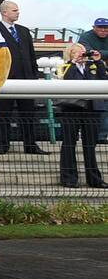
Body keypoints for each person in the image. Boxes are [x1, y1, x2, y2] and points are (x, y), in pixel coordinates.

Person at [0, 0, 48, 155]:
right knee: (2, 113)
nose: (18, 12)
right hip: (5, 80)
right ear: (4, 12)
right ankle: (1, 144)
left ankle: (30, 145)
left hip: (26, 79)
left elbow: (31, 54)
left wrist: (34, 76)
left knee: (28, 113)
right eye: (15, 10)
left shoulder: (23, 31)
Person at [57, 43, 106, 188]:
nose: (82, 56)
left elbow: (104, 79)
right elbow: (64, 79)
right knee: (69, 143)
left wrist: (98, 61)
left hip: (91, 109)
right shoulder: (65, 66)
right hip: (71, 109)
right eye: (78, 53)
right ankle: (69, 178)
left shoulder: (93, 67)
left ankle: (94, 179)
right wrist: (73, 63)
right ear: (70, 54)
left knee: (90, 145)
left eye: (84, 52)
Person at [78, 17, 108, 139]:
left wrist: (101, 54)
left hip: (103, 71)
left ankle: (101, 136)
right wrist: (100, 55)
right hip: (92, 73)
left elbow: (97, 54)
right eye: (100, 28)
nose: (103, 31)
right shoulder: (86, 36)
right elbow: (88, 52)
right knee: (99, 106)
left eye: (106, 28)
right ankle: (98, 137)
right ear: (94, 27)